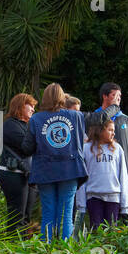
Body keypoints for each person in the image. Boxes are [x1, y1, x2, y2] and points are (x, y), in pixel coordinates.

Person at [21, 83, 86, 241]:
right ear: (62, 98)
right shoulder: (76, 116)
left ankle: (47, 252)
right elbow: (80, 142)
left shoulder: (36, 119)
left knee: (48, 212)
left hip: (45, 171)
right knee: (66, 212)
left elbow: (27, 148)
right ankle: (65, 253)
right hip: (69, 170)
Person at [83, 82, 128, 214]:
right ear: (105, 96)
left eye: (120, 95)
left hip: (121, 179)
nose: (118, 98)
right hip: (96, 181)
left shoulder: (126, 120)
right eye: (114, 95)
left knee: (122, 218)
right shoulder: (93, 119)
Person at [0, 93, 37, 235]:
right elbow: (27, 147)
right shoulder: (10, 125)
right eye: (30, 105)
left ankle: (23, 250)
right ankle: (12, 248)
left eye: (34, 107)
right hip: (12, 174)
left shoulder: (28, 125)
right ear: (20, 106)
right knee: (16, 215)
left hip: (27, 175)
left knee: (26, 216)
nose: (33, 109)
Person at [83, 114, 128, 227]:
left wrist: (125, 206)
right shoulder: (87, 148)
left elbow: (123, 176)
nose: (113, 133)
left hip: (113, 196)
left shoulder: (117, 149)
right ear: (100, 130)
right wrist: (81, 204)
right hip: (94, 196)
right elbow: (82, 178)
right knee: (96, 229)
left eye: (114, 130)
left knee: (111, 230)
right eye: (110, 130)